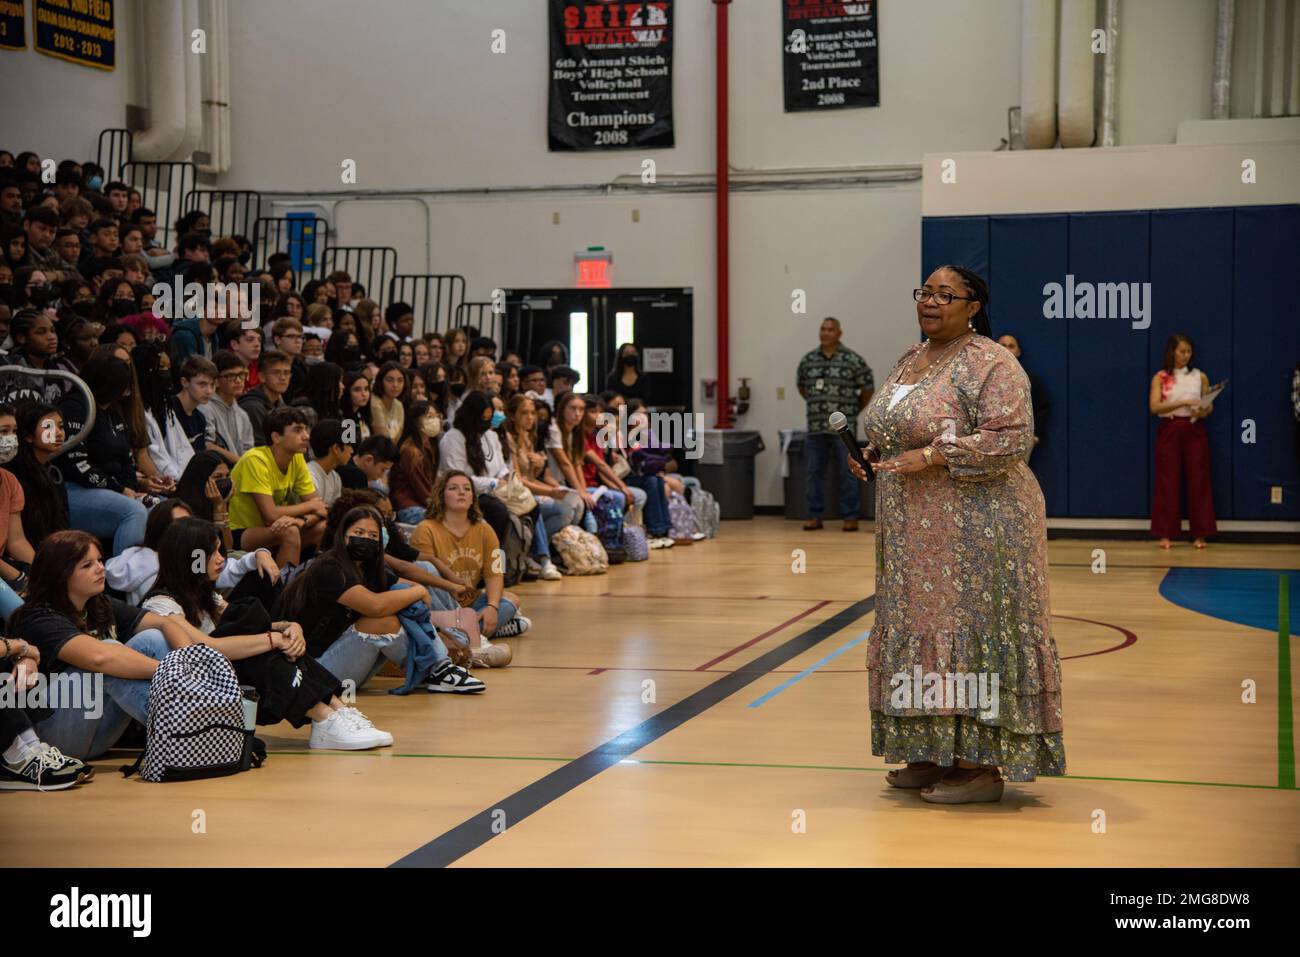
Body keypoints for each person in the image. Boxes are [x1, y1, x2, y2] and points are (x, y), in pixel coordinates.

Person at [854, 265, 1064, 804]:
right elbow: (894, 426)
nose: (931, 301)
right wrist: (875, 455)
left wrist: (932, 455)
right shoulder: (909, 359)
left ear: (973, 306)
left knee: (968, 631)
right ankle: (929, 748)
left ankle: (977, 766)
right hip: (913, 533)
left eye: (946, 294)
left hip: (979, 527)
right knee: (922, 633)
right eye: (925, 291)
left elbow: (1014, 438)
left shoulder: (992, 362)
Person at [142, 518, 391, 750]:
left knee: (270, 637)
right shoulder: (162, 604)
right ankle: (324, 718)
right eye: (214, 553)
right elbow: (206, 648)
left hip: (224, 681)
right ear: (191, 558)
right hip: (194, 693)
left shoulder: (207, 597)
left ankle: (335, 712)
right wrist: (272, 640)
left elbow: (259, 627)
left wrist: (290, 628)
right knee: (261, 651)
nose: (221, 559)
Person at [8, 530, 196, 760]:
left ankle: (195, 723)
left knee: (153, 638)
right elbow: (99, 657)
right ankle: (188, 732)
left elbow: (166, 624)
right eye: (87, 565)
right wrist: (174, 671)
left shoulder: (99, 603)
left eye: (99, 560)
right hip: (52, 738)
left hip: (97, 732)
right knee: (106, 655)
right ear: (60, 574)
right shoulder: (37, 617)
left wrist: (189, 661)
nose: (100, 568)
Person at [275, 504, 483, 693]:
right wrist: (419, 592)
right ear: (342, 536)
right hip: (313, 670)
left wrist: (415, 592)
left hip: (345, 664)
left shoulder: (369, 568)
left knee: (398, 599)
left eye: (373, 536)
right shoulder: (329, 567)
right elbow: (375, 606)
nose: (366, 539)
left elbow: (405, 584)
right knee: (383, 618)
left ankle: (436, 667)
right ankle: (435, 668)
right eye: (359, 532)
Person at [410, 471, 531, 639]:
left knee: (510, 600)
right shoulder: (425, 529)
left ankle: (468, 635)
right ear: (441, 496)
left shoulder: (486, 530)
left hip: (469, 603)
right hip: (440, 605)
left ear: (473, 497)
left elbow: (495, 573)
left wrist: (492, 608)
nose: (462, 492)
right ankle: (480, 633)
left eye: (467, 489)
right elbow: (425, 576)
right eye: (453, 488)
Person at [55, 353, 149, 556]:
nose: (127, 390)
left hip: (112, 489)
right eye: (123, 384)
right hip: (72, 490)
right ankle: (123, 582)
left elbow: (127, 460)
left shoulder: (112, 412)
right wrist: (120, 489)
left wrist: (131, 488)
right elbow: (77, 465)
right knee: (134, 512)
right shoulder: (75, 407)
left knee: (164, 510)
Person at [796, 316, 874, 532]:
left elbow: (867, 389)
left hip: (843, 430)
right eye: (823, 329)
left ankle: (850, 516)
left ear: (839, 333)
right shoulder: (808, 360)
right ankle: (814, 515)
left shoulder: (852, 360)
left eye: (831, 329)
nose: (826, 332)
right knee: (813, 472)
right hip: (816, 427)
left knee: (848, 472)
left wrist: (851, 411)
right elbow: (802, 388)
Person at [228, 406, 328, 561]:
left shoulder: (297, 457)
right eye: (297, 430)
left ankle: (302, 579)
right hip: (242, 532)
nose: (306, 436)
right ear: (276, 437)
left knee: (322, 527)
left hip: (278, 527)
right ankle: (283, 585)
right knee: (290, 532)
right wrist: (310, 506)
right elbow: (270, 516)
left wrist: (301, 520)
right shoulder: (255, 460)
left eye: (306, 430)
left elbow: (321, 510)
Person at [1149, 333, 1217, 549]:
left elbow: (1208, 406)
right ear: (1172, 352)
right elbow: (1154, 406)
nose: (1186, 355)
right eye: (1182, 351)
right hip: (1170, 428)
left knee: (1199, 479)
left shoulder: (1200, 376)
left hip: (1194, 427)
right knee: (1168, 480)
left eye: (1189, 351)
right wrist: (1182, 402)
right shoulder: (1160, 377)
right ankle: (1165, 533)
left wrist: (1204, 408)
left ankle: (1201, 533)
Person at [6, 402, 70, 547]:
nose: (58, 433)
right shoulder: (15, 476)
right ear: (28, 436)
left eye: (60, 426)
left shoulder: (52, 473)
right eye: (48, 427)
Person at [145, 354, 217, 481]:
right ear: (185, 382)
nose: (209, 391)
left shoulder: (200, 418)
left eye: (212, 385)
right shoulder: (167, 410)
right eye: (202, 384)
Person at [996, 334, 1048, 458]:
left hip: (1021, 440)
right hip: (992, 439)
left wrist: (1034, 435)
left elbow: (1042, 407)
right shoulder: (984, 378)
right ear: (995, 348)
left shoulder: (1029, 379)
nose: (1007, 349)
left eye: (1011, 346)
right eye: (1003, 345)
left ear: (1018, 352)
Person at [390, 401, 441, 525]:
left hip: (423, 503)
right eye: (429, 417)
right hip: (410, 506)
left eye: (436, 416)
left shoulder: (429, 445)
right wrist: (440, 507)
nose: (435, 420)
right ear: (416, 421)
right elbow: (422, 489)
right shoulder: (410, 451)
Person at [201, 349, 256, 463]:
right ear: (216, 381)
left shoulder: (242, 414)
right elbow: (207, 445)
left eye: (242, 375)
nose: (239, 381)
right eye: (231, 376)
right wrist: (239, 461)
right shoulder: (205, 408)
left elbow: (249, 448)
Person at [239, 348, 292, 445]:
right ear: (262, 377)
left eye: (286, 373)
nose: (283, 378)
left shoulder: (280, 403)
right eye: (276, 372)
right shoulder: (253, 407)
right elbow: (262, 446)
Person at [307, 418, 351, 508]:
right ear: (336, 448)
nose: (352, 451)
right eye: (348, 445)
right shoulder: (309, 476)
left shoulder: (335, 477)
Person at [370, 360, 408, 441]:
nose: (395, 385)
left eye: (400, 380)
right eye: (390, 380)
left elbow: (397, 439)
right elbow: (382, 439)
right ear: (380, 381)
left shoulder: (399, 405)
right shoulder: (374, 403)